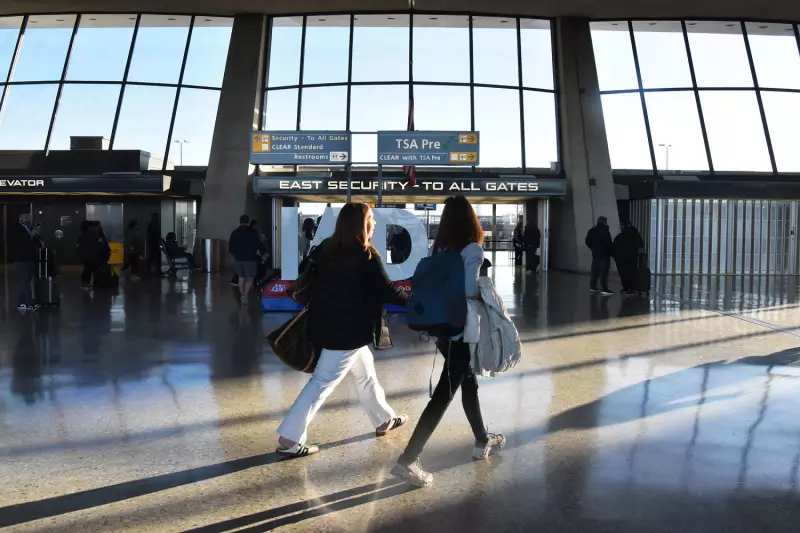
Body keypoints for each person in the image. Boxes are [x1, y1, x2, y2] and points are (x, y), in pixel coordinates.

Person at [276, 203, 409, 458]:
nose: (374, 223)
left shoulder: (326, 248)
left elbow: (308, 275)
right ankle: (289, 438)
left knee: (365, 373)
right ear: (361, 224)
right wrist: (416, 303)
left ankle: (383, 419)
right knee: (322, 382)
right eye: (371, 219)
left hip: (324, 323)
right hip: (348, 331)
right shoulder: (366, 255)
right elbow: (388, 290)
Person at [393, 196, 505, 488]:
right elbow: (469, 289)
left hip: (442, 327)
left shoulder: (440, 248)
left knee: (467, 381)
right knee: (444, 393)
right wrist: (485, 293)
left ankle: (482, 439)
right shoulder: (472, 249)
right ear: (472, 220)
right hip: (462, 330)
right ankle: (408, 460)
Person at [229, 214, 263, 304]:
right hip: (251, 259)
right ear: (248, 222)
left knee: (241, 277)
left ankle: (242, 294)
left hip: (239, 259)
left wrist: (236, 254)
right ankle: (245, 294)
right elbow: (259, 244)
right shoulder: (252, 233)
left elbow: (231, 247)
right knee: (250, 278)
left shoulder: (234, 233)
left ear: (239, 222)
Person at [9, 213, 40, 311]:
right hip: (20, 260)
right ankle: (30, 303)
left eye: (29, 217)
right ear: (20, 218)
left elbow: (33, 243)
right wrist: (32, 235)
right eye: (25, 217)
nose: (27, 219)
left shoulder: (30, 228)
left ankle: (21, 302)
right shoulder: (16, 229)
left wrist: (36, 236)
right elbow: (20, 242)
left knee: (26, 281)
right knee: (24, 282)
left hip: (30, 259)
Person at [613, 221, 644, 296]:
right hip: (632, 258)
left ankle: (626, 288)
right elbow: (641, 245)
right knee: (632, 273)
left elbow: (613, 247)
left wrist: (615, 257)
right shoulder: (636, 235)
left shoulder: (620, 237)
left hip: (621, 259)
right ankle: (632, 289)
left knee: (624, 274)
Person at [585, 216, 614, 296]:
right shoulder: (605, 231)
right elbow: (608, 244)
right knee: (604, 273)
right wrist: (611, 253)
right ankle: (604, 289)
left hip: (595, 255)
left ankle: (593, 287)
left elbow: (587, 241)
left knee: (594, 272)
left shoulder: (592, 231)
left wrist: (593, 248)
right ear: (604, 222)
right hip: (604, 256)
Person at [77, 220, 96, 288]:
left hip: (84, 255)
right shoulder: (92, 234)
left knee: (87, 268)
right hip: (91, 255)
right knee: (89, 269)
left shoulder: (82, 235)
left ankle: (85, 282)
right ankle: (86, 282)